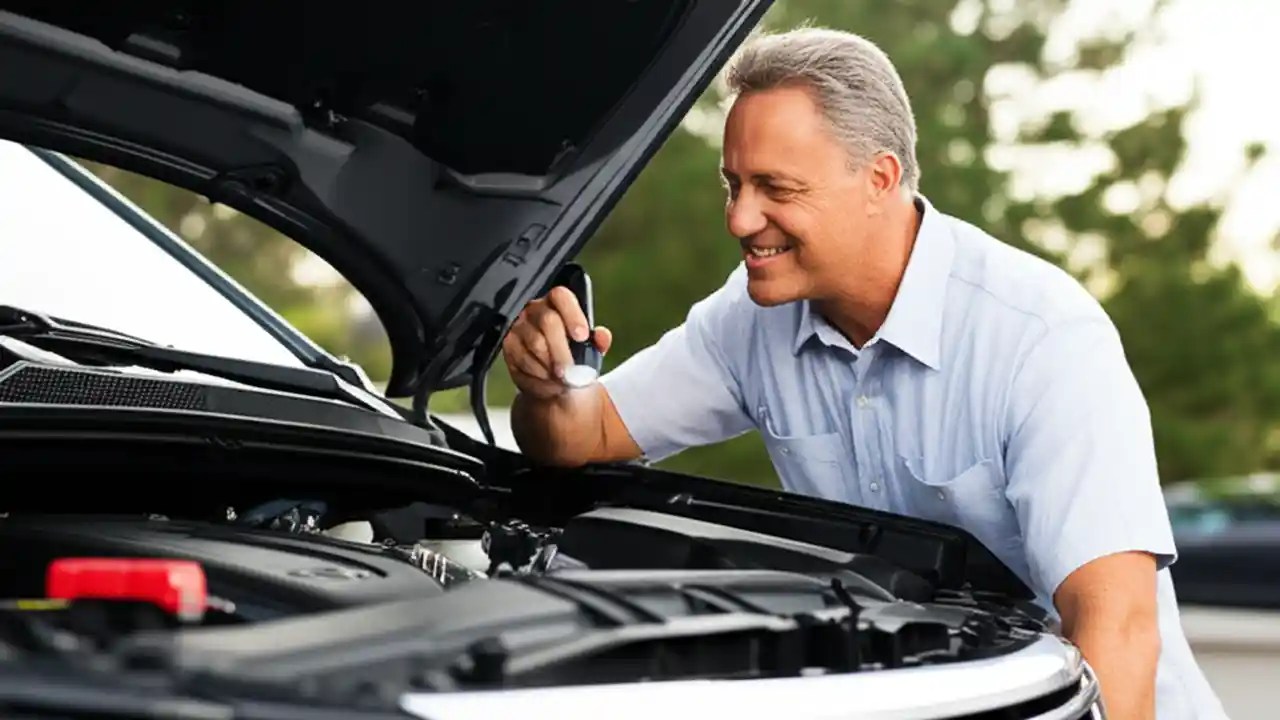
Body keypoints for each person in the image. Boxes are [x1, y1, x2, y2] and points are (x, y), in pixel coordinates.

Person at [501, 26, 1225, 720]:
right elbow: (580, 435)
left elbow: (1116, 627)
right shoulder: (752, 319)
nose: (740, 219)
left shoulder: (1041, 339)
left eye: (775, 189)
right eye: (733, 184)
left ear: (878, 179)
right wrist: (548, 386)